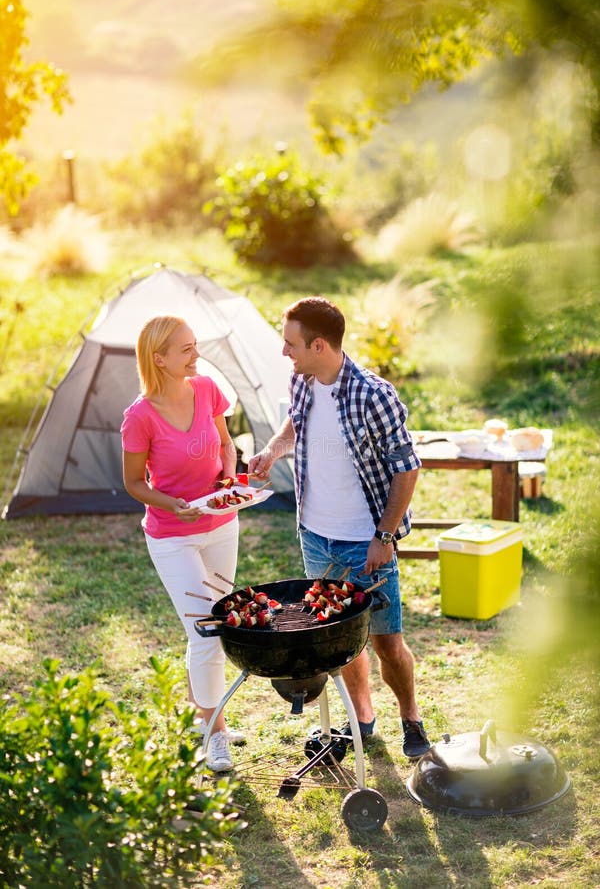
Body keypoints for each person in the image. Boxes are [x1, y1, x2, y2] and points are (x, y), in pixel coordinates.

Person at [248, 297, 431, 758]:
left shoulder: (375, 394)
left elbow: (407, 469)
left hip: (366, 541)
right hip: (315, 536)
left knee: (388, 642)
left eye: (291, 344)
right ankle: (362, 722)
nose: (284, 352)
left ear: (319, 344)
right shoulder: (303, 380)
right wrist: (272, 451)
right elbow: (297, 423)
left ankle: (411, 720)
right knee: (340, 642)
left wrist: (384, 538)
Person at [121, 315, 243, 773]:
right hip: (173, 536)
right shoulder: (139, 416)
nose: (196, 355)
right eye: (186, 349)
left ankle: (205, 715)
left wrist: (229, 478)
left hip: (221, 524)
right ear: (160, 360)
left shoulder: (207, 388)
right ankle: (216, 733)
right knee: (206, 632)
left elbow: (226, 444)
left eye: (195, 345)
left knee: (218, 625)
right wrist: (173, 504)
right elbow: (134, 483)